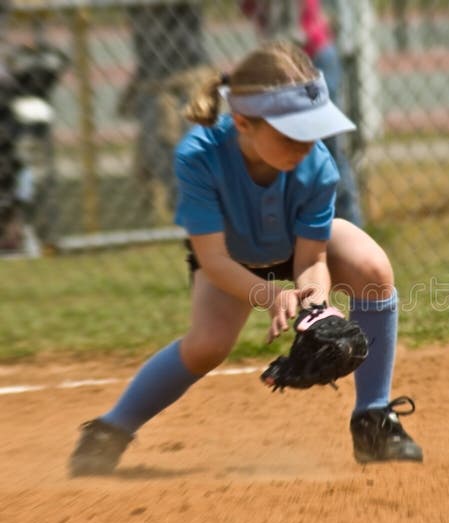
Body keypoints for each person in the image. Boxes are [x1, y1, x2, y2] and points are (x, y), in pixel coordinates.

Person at [68, 41, 422, 476]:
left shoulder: (317, 165)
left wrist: (316, 309)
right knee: (206, 347)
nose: (305, 144)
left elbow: (311, 258)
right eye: (291, 133)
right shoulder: (198, 157)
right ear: (242, 122)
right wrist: (268, 295)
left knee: (372, 268)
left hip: (295, 249)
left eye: (313, 130)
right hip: (230, 260)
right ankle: (111, 428)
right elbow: (212, 258)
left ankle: (373, 419)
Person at [240, 0, 363, 227]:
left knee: (328, 148)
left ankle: (349, 225)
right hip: (279, 63)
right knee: (283, 150)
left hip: (313, 56)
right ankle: (297, 228)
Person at [118, 1, 212, 224]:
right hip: (153, 84)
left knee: (195, 157)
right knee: (159, 160)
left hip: (188, 80)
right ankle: (180, 216)